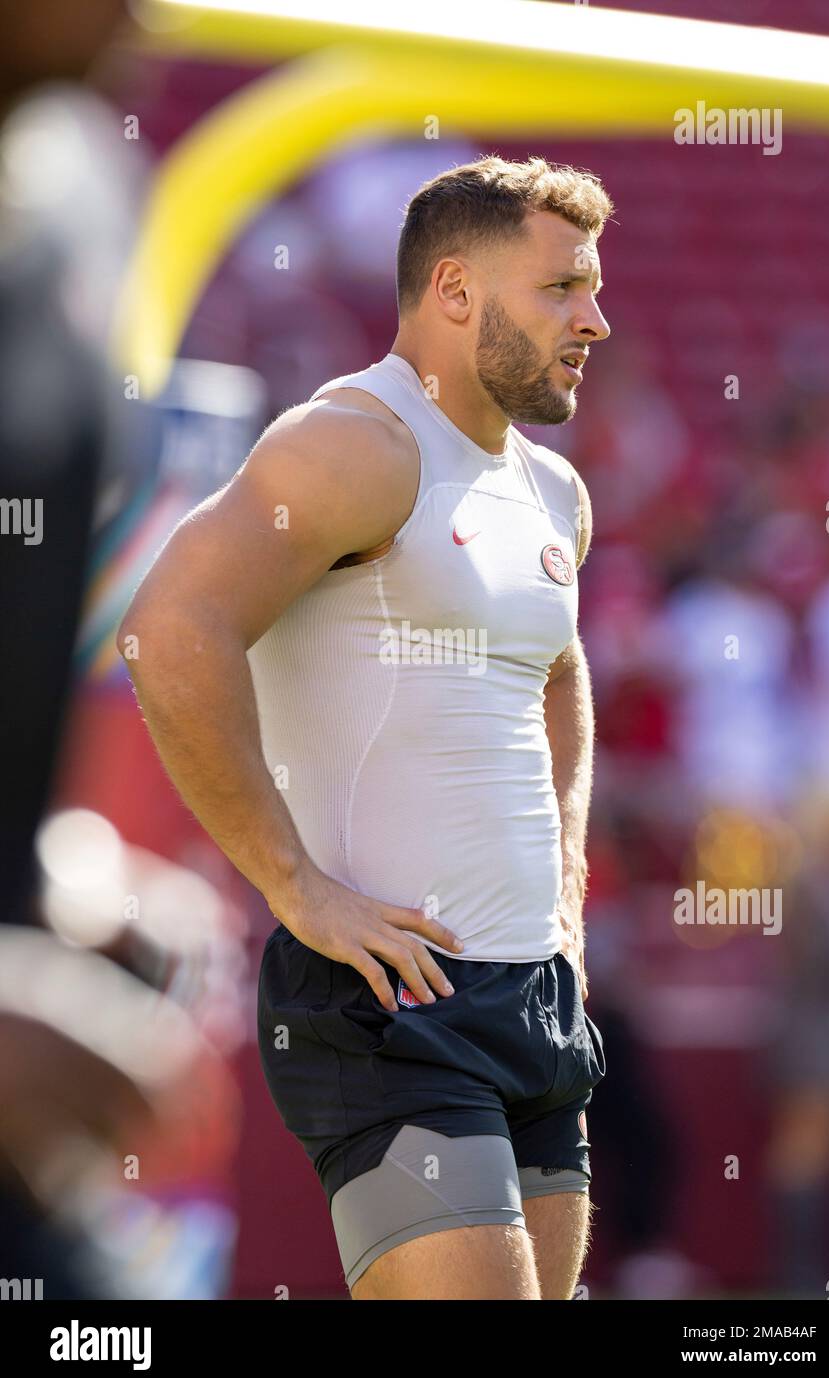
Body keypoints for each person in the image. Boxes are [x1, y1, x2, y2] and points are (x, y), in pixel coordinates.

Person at [119, 154, 613, 1300]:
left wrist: (566, 870)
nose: (594, 318)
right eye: (561, 288)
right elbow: (169, 630)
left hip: (530, 993)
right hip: (390, 1003)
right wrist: (295, 886)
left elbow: (555, 670)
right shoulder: (350, 444)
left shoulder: (550, 491)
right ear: (453, 290)